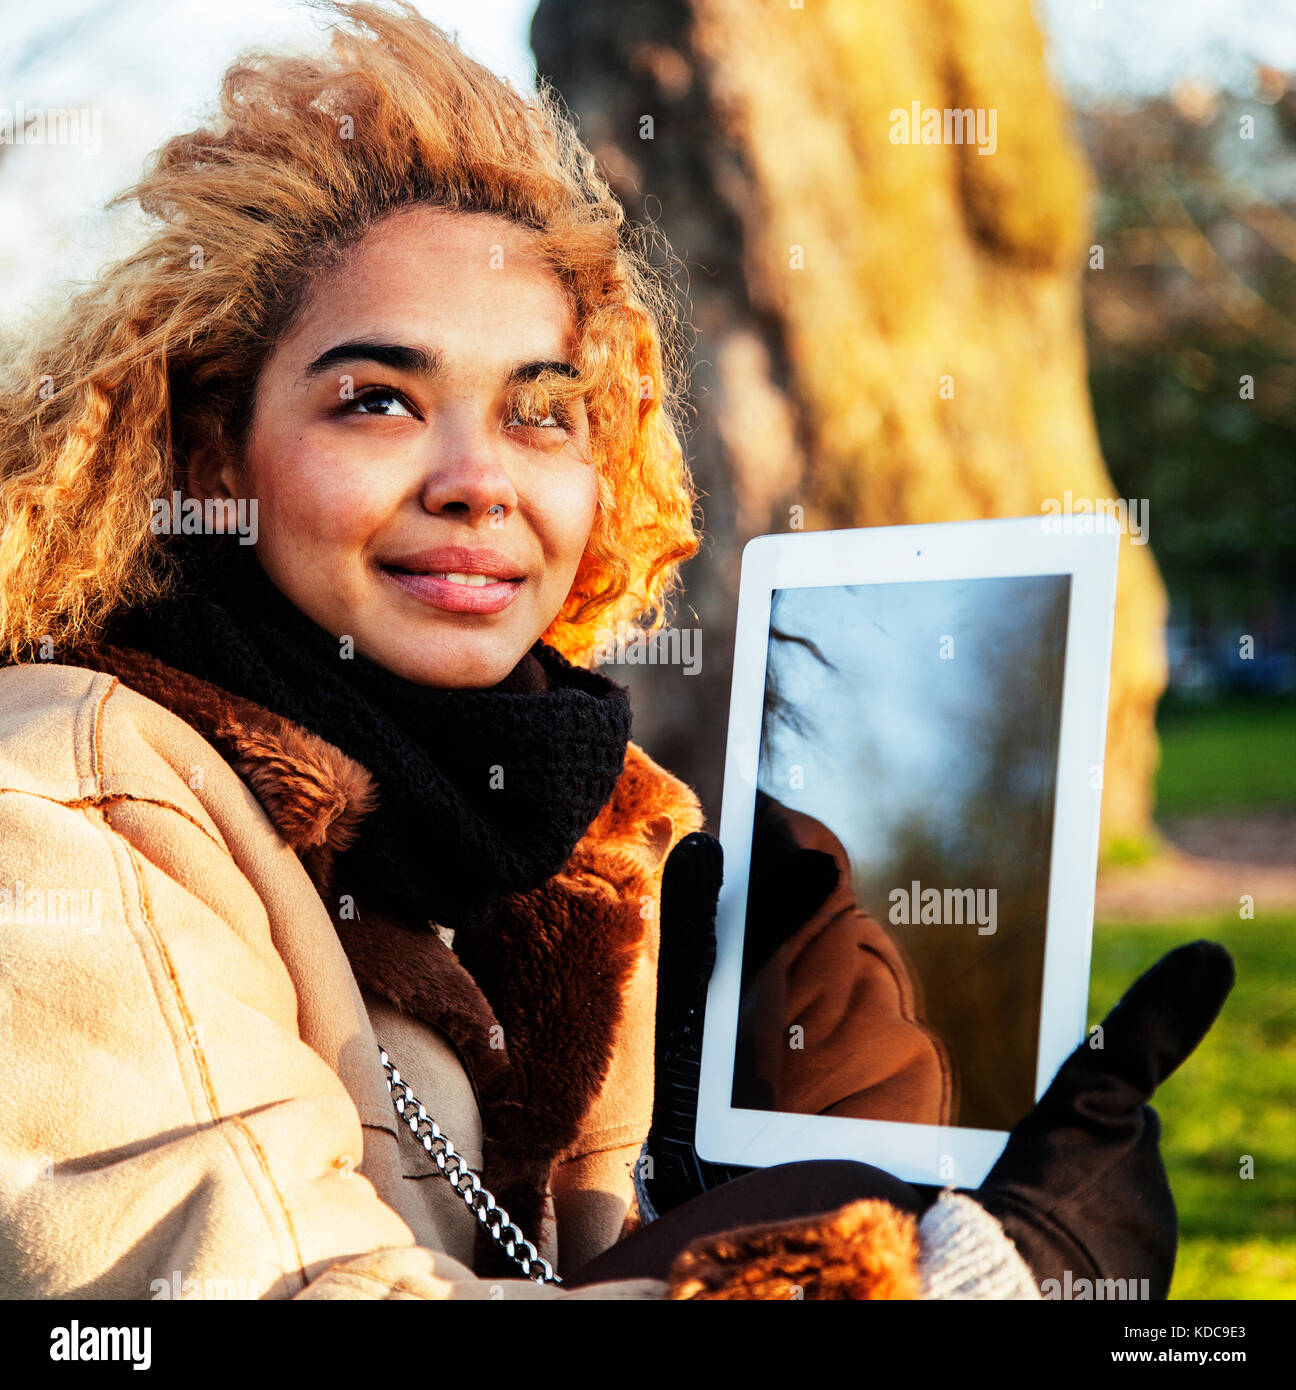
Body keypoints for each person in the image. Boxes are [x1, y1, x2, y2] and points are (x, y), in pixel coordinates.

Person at [0, 0, 1232, 1301]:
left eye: (542, 412)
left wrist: (775, 1181)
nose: (479, 479)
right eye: (379, 399)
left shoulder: (587, 854)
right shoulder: (69, 804)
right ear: (211, 454)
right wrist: (967, 1278)